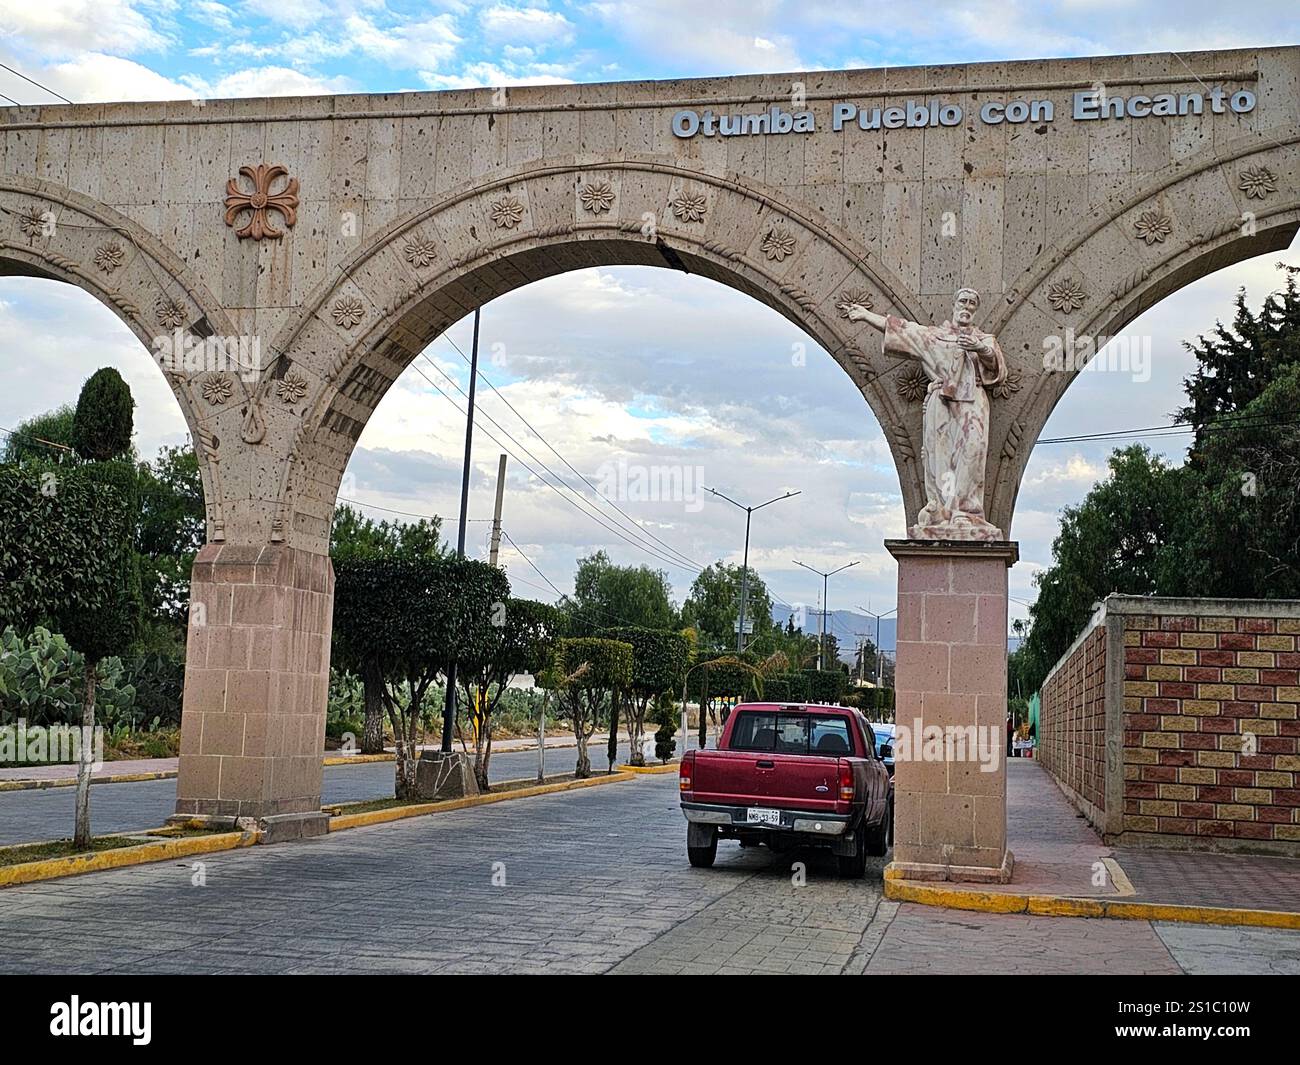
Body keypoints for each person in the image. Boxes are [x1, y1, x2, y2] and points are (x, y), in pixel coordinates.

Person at [844, 288, 1008, 538]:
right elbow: (901, 328)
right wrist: (867, 315)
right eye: (963, 301)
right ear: (954, 304)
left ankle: (966, 512)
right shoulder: (934, 336)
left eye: (972, 303)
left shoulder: (984, 339)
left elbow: (997, 368)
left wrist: (979, 349)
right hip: (941, 402)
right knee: (939, 456)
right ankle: (941, 512)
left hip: (973, 401)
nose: (967, 306)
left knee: (972, 452)